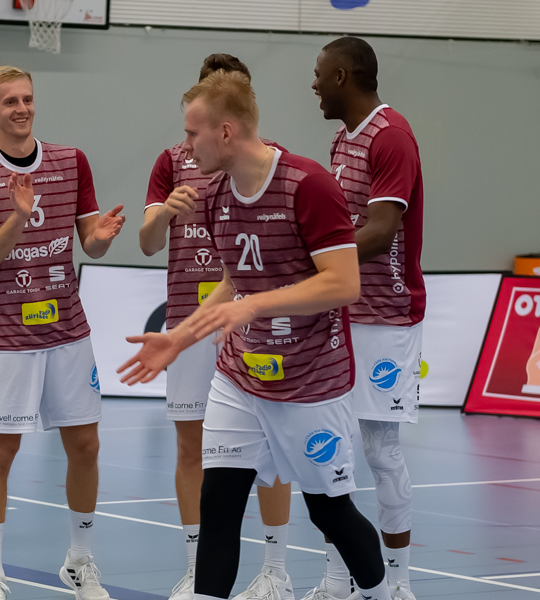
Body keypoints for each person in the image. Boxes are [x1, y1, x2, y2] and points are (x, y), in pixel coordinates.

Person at [118, 70, 392, 600]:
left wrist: (257, 304)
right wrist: (179, 339)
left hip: (312, 379)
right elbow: (233, 284)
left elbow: (344, 283)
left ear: (225, 133)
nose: (184, 144)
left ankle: (381, 594)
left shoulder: (307, 184)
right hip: (241, 377)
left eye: (192, 132)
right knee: (219, 501)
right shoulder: (215, 194)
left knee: (330, 511)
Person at [0, 66, 125, 600]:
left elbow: (88, 245)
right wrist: (17, 219)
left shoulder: (72, 162)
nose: (21, 108)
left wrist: (101, 238)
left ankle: (80, 560)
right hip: (8, 334)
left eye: (27, 98)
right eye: (9, 102)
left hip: (69, 330)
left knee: (86, 446)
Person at [139, 54, 295, 600]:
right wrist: (162, 213)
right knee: (191, 445)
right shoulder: (174, 159)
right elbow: (146, 242)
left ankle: (275, 570)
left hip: (253, 320)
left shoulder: (266, 163)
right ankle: (194, 563)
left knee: (273, 448)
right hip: (190, 317)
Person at [307, 36, 425, 600]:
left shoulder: (392, 136)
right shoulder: (339, 139)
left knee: (381, 452)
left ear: (342, 77)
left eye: (318, 73)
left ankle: (397, 584)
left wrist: (308, 262)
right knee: (331, 448)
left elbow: (379, 233)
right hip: (339, 312)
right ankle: (341, 580)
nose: (311, 83)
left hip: (386, 315)